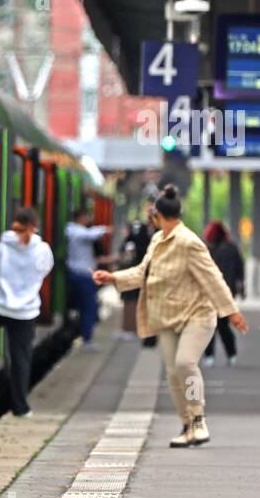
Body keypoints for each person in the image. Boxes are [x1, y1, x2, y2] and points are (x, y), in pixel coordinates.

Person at [93, 185, 248, 448]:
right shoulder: (156, 241)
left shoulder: (189, 242)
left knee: (186, 363)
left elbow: (213, 279)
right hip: (166, 317)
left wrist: (231, 312)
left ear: (157, 217)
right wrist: (113, 278)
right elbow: (142, 273)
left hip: (197, 314)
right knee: (173, 373)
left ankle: (199, 419)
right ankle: (187, 425)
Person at [0, 206, 55, 418]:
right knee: (21, 359)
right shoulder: (42, 249)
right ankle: (20, 408)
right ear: (35, 226)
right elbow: (44, 271)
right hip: (26, 311)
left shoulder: (4, 245)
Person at [201, 220, 245, 366]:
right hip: (227, 291)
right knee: (223, 325)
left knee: (209, 325)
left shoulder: (207, 250)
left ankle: (209, 356)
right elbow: (240, 269)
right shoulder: (232, 248)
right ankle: (231, 354)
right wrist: (242, 287)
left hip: (210, 292)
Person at [65, 207, 110, 351]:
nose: (88, 220)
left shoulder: (74, 230)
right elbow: (91, 234)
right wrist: (105, 229)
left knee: (86, 307)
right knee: (89, 307)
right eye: (86, 217)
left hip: (80, 273)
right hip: (82, 274)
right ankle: (87, 339)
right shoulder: (74, 230)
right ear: (80, 217)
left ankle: (84, 336)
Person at [115, 216, 153, 340]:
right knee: (134, 302)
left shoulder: (130, 243)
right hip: (140, 275)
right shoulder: (146, 242)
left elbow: (125, 258)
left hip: (130, 275)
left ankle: (129, 329)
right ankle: (131, 329)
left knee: (130, 303)